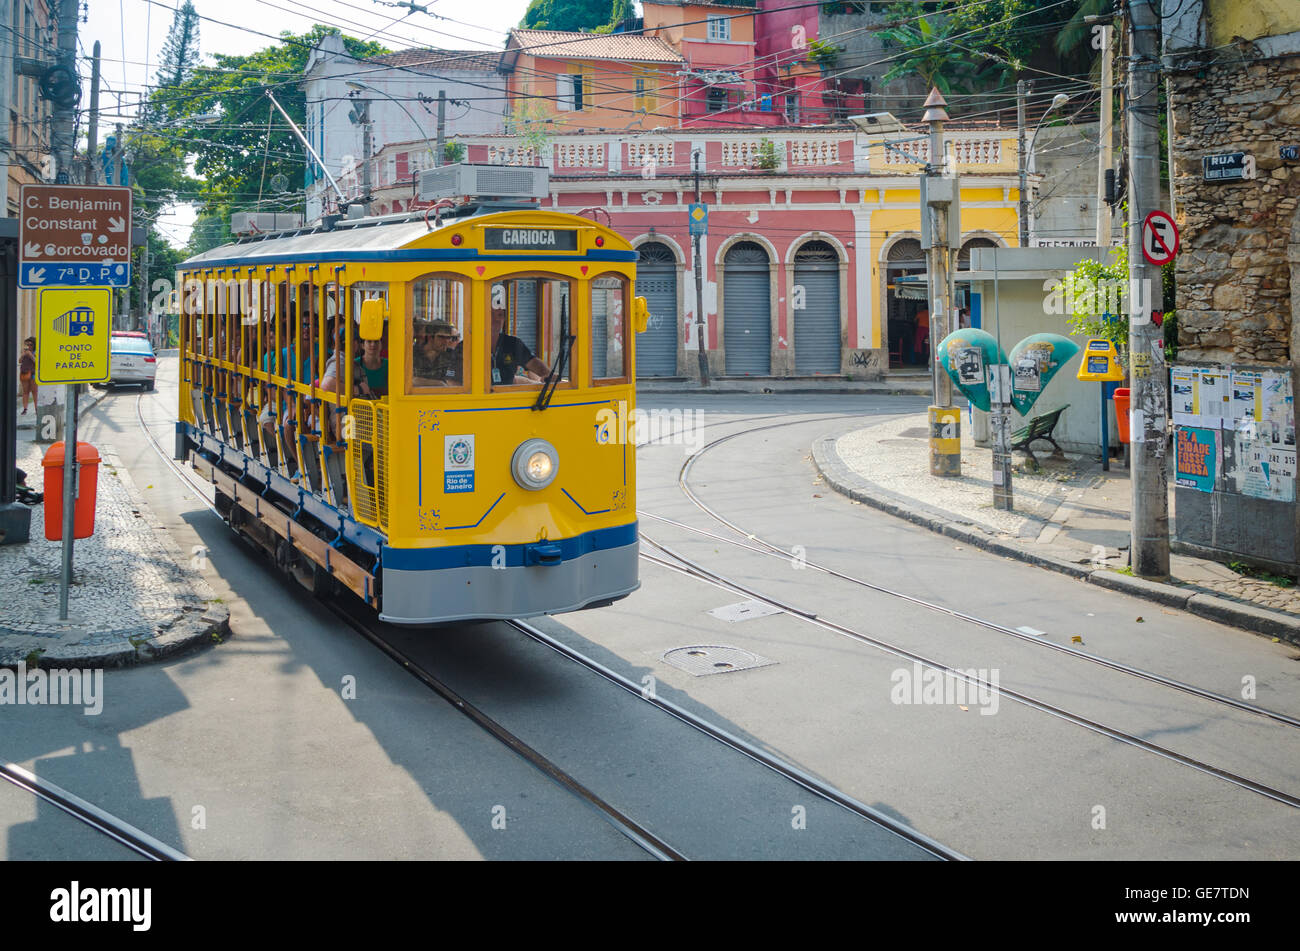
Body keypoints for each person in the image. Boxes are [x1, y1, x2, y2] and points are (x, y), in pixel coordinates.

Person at [490, 302, 549, 385]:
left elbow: (534, 364)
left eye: (500, 315)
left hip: (508, 396)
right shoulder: (470, 346)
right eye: (491, 315)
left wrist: (549, 375)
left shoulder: (512, 343)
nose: (497, 320)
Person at [413, 320, 463, 386]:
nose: (446, 341)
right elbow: (408, 380)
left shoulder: (451, 356)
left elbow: (451, 382)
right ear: (430, 337)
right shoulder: (412, 354)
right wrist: (440, 384)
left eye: (448, 338)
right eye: (441, 337)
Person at [18, 337, 36, 415]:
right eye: (27, 344)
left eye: (30, 344)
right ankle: (25, 409)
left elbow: (37, 362)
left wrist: (31, 355)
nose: (29, 346)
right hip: (24, 372)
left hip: (33, 374)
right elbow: (19, 361)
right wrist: (23, 355)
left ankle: (36, 409)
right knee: (25, 392)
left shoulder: (36, 352)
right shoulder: (25, 352)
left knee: (35, 392)